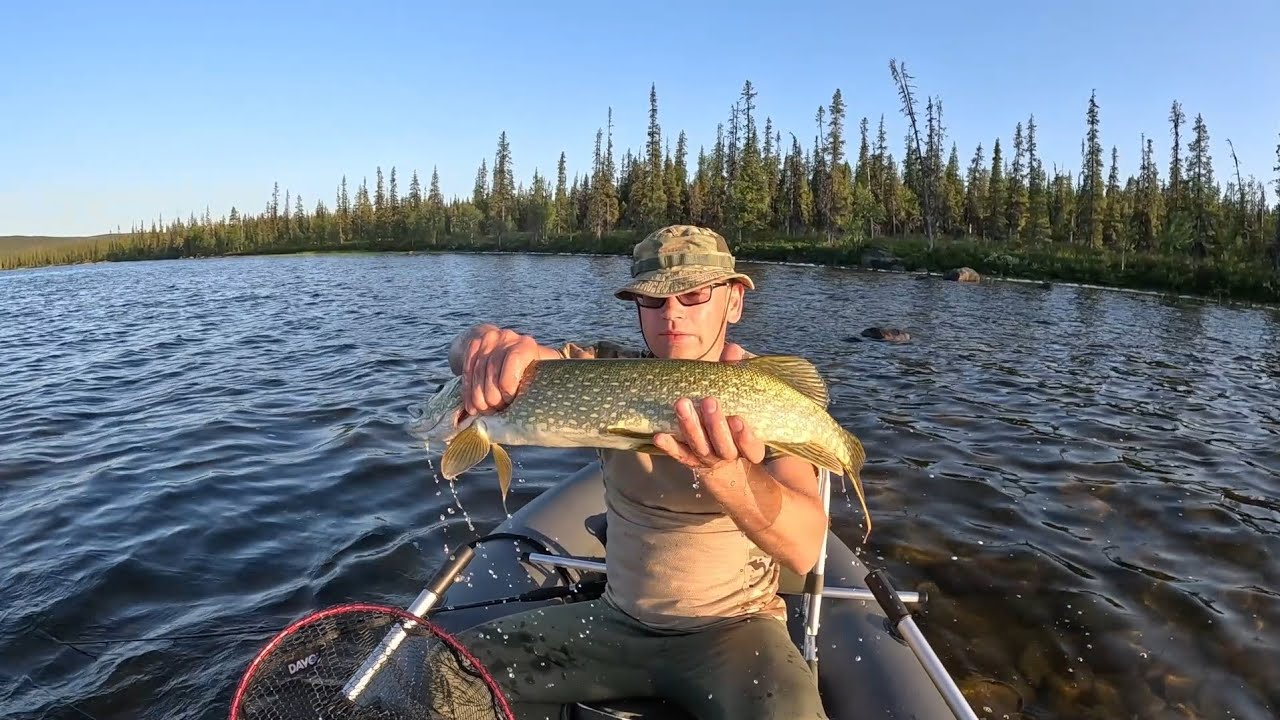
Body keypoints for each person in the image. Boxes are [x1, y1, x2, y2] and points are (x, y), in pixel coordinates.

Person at [434, 225, 830, 720]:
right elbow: (505, 360)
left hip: (736, 631)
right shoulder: (605, 367)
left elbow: (805, 544)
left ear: (733, 302)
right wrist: (480, 346)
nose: (672, 316)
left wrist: (726, 473)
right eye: (653, 301)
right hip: (618, 623)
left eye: (694, 295)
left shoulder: (764, 395)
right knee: (450, 669)